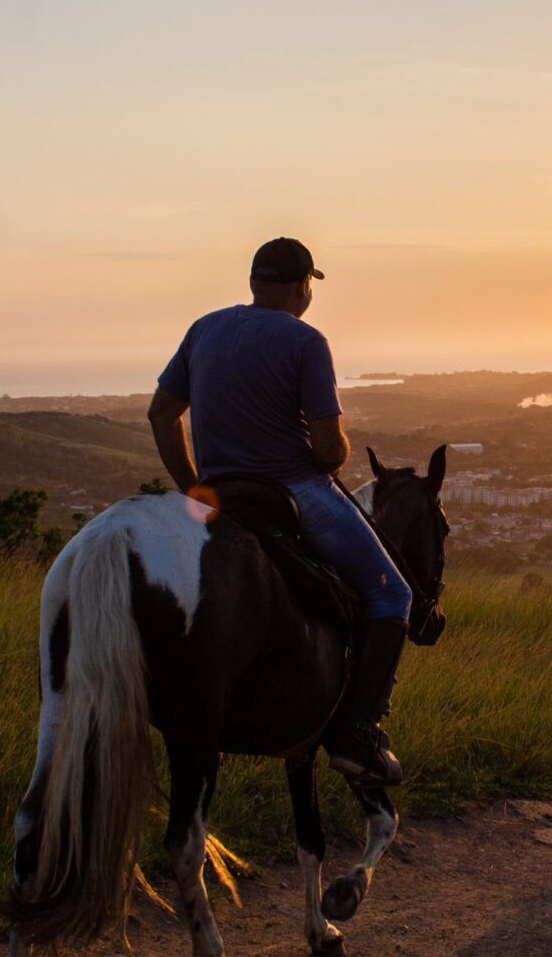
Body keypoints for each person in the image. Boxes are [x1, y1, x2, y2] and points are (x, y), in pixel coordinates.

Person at [147, 236, 413, 786]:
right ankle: (355, 734)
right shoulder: (307, 341)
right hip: (296, 491)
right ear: (302, 287)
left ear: (252, 282)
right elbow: (325, 451)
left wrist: (196, 488)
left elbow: (161, 413)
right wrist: (337, 445)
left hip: (223, 493)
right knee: (393, 594)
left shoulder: (204, 329)